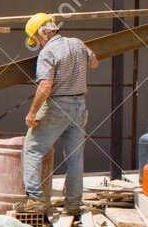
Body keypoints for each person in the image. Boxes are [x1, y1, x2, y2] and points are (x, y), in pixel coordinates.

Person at [19, 12, 98, 215]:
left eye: (36, 37)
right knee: (74, 157)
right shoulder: (77, 44)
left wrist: (32, 112)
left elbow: (45, 86)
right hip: (80, 106)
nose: (37, 42)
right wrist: (83, 47)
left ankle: (35, 199)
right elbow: (95, 63)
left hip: (57, 106)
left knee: (32, 150)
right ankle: (72, 204)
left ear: (43, 32)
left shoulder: (48, 52)